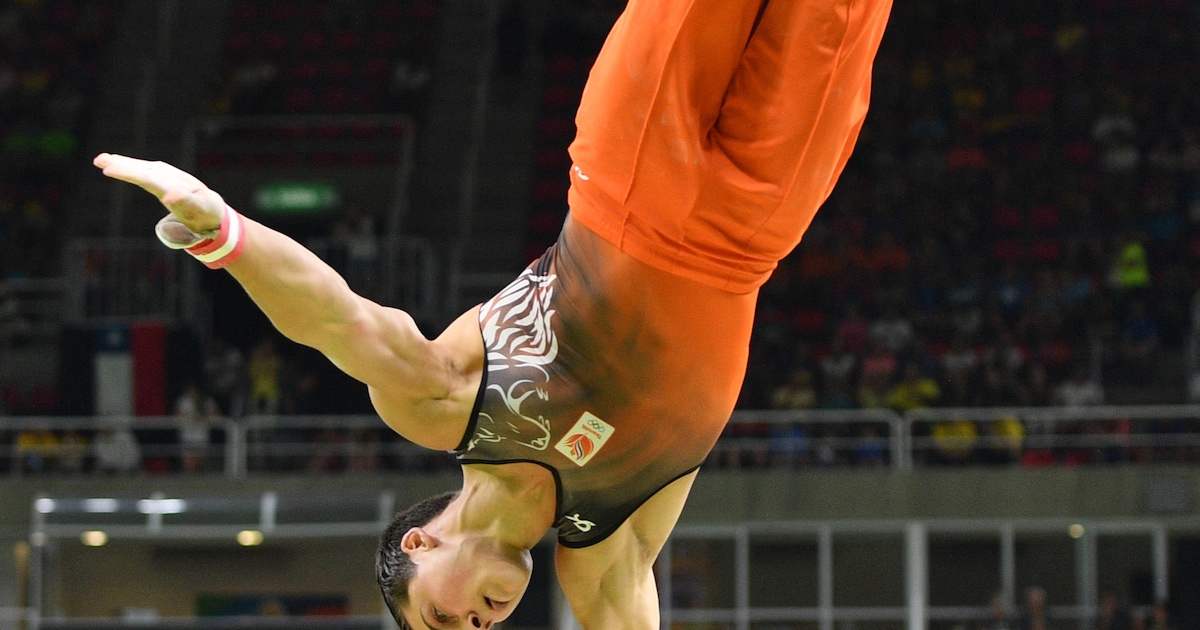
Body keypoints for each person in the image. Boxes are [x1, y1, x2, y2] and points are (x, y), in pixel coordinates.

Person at [93, 0, 892, 626]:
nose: (478, 623)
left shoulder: (447, 408)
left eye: (443, 619)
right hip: (753, 229)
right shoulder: (603, 553)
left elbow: (335, 319)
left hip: (630, 176)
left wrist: (221, 233)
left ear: (419, 544)